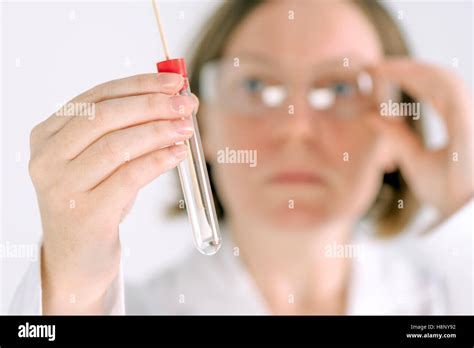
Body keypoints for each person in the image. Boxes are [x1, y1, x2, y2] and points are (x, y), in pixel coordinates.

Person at [10, 0, 473, 315]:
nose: (296, 127)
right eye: (255, 85)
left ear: (398, 124)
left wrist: (464, 201)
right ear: (200, 123)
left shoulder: (447, 303)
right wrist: (74, 281)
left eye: (338, 87)